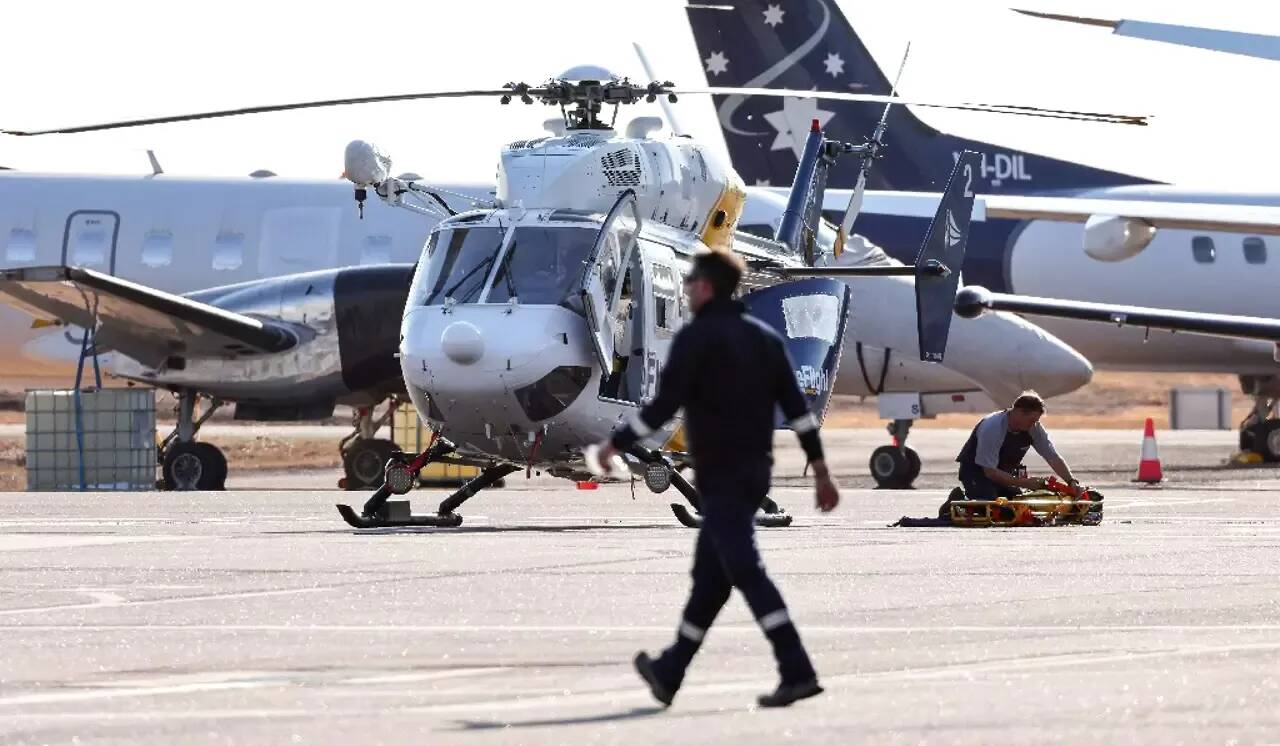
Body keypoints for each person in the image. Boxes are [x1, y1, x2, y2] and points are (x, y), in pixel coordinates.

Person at [593, 250, 839, 709]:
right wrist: (821, 470)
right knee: (710, 579)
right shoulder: (765, 339)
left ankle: (797, 669)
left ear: (706, 286)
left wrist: (615, 442)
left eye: (690, 283)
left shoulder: (697, 338)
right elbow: (800, 413)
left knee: (745, 569)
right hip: (752, 475)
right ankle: (671, 670)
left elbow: (663, 408)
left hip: (721, 475)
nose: (685, 289)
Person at [955, 391, 1079, 500]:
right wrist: (1024, 483)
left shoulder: (1034, 428)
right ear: (1018, 412)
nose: (1033, 424)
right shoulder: (993, 427)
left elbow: (1053, 457)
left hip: (1005, 475)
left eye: (1036, 421)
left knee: (1021, 504)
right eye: (1031, 420)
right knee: (993, 507)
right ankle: (958, 500)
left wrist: (1071, 481)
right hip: (977, 473)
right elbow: (989, 472)